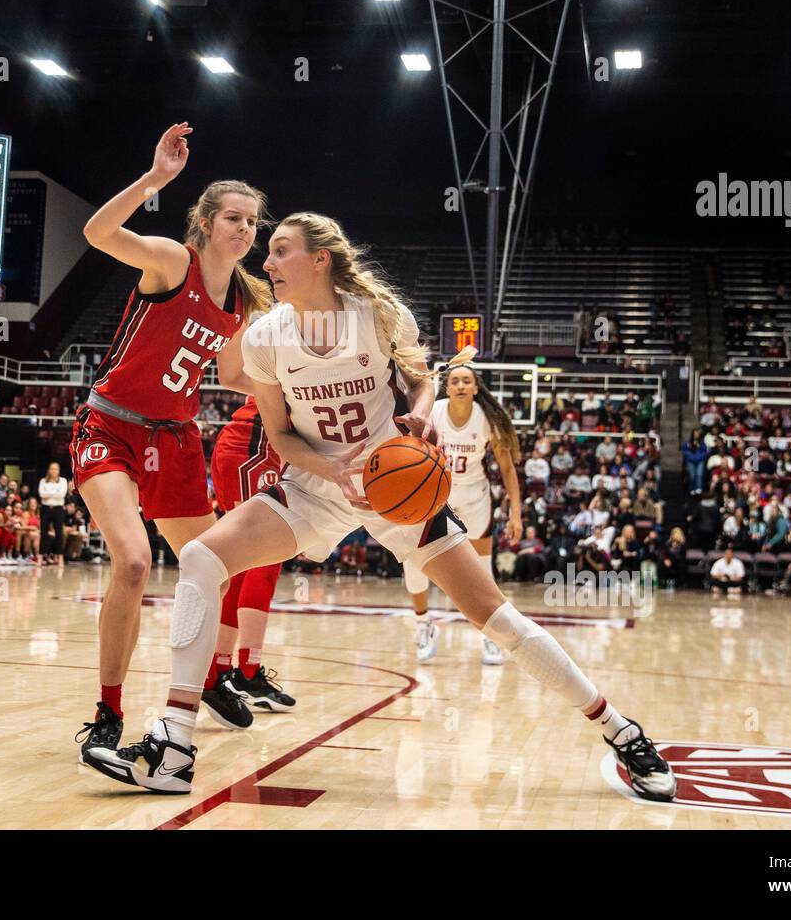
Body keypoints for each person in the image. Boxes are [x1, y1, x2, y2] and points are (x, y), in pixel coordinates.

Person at [80, 211, 675, 801]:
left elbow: (422, 379)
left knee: (496, 617)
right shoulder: (265, 337)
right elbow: (281, 434)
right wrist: (330, 469)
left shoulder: (377, 316)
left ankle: (620, 729)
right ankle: (174, 745)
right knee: (204, 559)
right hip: (319, 486)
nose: (266, 261)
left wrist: (419, 412)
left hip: (396, 486)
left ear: (321, 259)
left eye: (281, 250)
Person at [71, 124, 273, 755]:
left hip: (177, 438)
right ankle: (108, 711)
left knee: (212, 564)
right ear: (207, 223)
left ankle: (211, 677)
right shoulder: (171, 261)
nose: (244, 230)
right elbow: (98, 234)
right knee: (133, 562)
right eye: (234, 219)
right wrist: (155, 179)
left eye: (253, 223)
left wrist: (303, 390)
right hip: (111, 423)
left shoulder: (244, 299)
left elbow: (236, 375)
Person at [408, 358, 522, 664]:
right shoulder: (434, 411)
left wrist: (516, 515)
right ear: (447, 386)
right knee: (413, 562)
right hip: (435, 496)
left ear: (475, 387)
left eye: (466, 381)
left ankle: (491, 636)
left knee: (482, 572)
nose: (460, 385)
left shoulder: (488, 419)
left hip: (474, 498)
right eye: (455, 380)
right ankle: (422, 625)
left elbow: (508, 469)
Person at [205, 396, 295, 719]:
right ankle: (239, 672)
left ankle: (225, 669)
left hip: (260, 446)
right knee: (265, 556)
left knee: (249, 560)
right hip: (253, 446)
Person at [38, 462, 68, 562]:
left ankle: (59, 557)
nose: (54, 471)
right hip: (45, 508)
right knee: (44, 533)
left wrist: (49, 494)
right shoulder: (43, 481)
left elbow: (62, 494)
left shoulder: (63, 481)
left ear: (58, 471)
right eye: (52, 469)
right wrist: (55, 493)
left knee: (59, 533)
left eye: (56, 469)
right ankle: (41, 556)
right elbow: (41, 494)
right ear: (49, 470)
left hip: (58, 508)